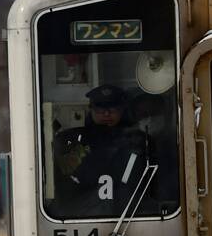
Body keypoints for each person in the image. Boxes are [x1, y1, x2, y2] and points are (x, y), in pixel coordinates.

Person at [52, 84, 155, 218]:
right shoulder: (72, 141)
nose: (106, 113)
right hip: (81, 219)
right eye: (100, 108)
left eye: (113, 108)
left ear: (122, 109)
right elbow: (64, 191)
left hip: (132, 218)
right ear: (91, 109)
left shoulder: (139, 141)